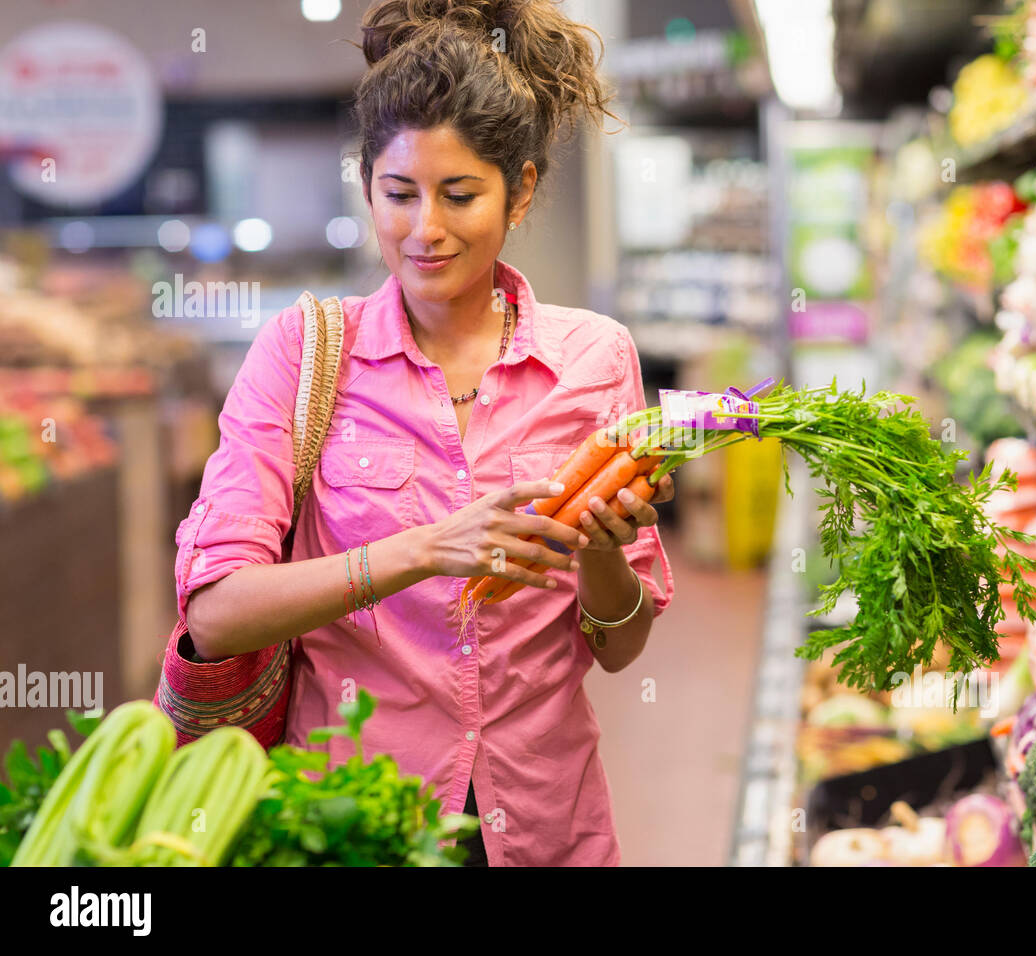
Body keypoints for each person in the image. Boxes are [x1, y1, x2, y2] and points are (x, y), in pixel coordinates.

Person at [175, 0, 674, 867]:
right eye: (398, 194)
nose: (425, 230)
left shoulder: (597, 358)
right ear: (367, 184)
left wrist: (599, 549)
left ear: (519, 189)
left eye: (460, 195)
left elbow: (621, 645)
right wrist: (427, 550)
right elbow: (216, 616)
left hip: (546, 826)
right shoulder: (304, 354)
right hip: (354, 827)